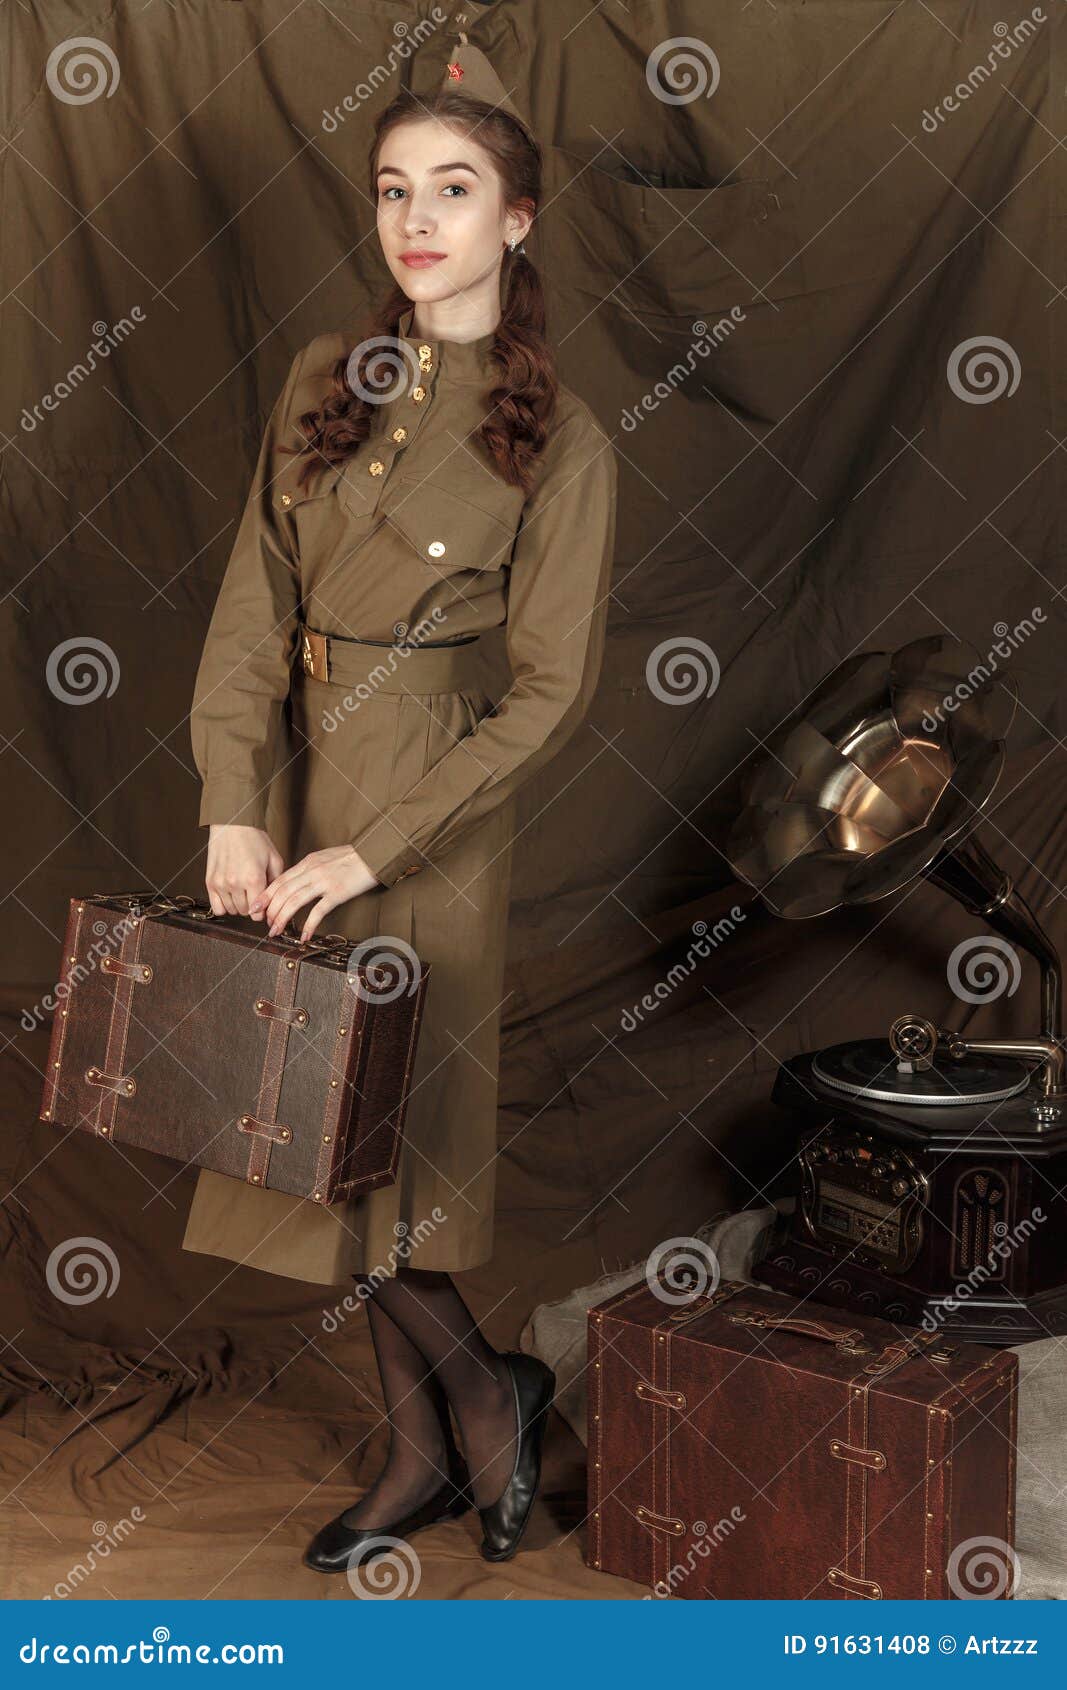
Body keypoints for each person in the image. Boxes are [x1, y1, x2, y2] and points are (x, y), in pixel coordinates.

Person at [183, 33, 618, 1572]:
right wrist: (238, 801)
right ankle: (442, 1432)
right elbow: (249, 615)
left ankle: (474, 1413)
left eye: (454, 187)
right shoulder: (322, 379)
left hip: (430, 808)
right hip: (296, 774)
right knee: (309, 1148)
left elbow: (551, 693)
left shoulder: (563, 438)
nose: (416, 219)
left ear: (516, 217)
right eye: (391, 190)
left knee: (391, 1156)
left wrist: (375, 841)